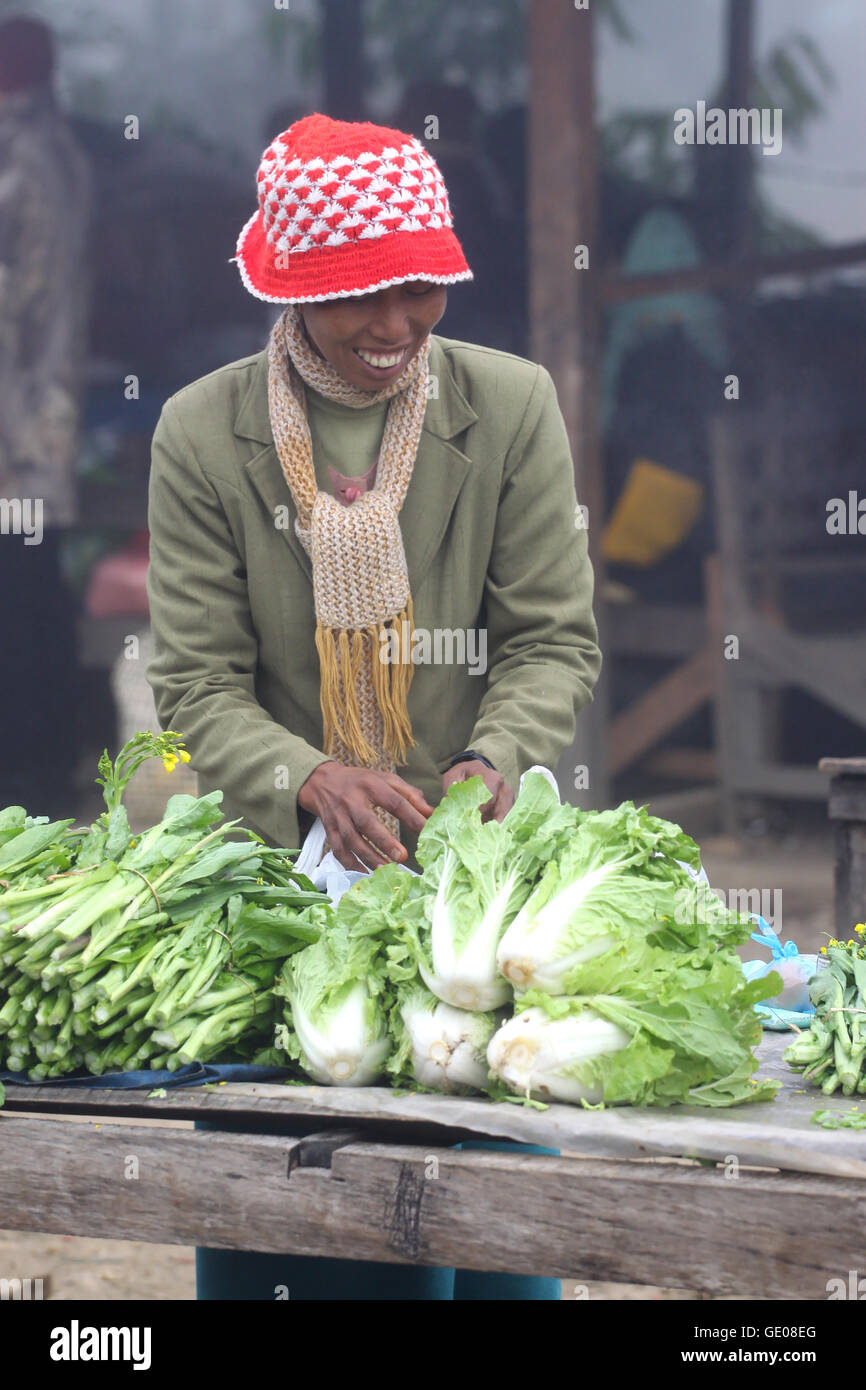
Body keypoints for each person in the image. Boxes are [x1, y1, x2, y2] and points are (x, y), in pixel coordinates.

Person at [146, 112, 601, 1300]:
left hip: (470, 892)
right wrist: (309, 776)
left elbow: (551, 639)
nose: (393, 325)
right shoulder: (203, 432)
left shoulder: (508, 407)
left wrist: (492, 760)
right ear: (290, 291)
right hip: (281, 887)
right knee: (297, 1224)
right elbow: (193, 680)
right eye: (357, 297)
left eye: (419, 289)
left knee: (492, 1230)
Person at [0, 16, 91, 818]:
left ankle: (34, 774)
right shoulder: (36, 146)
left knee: (22, 593)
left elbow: (38, 302)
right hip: (29, 420)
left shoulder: (28, 155)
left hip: (21, 429)